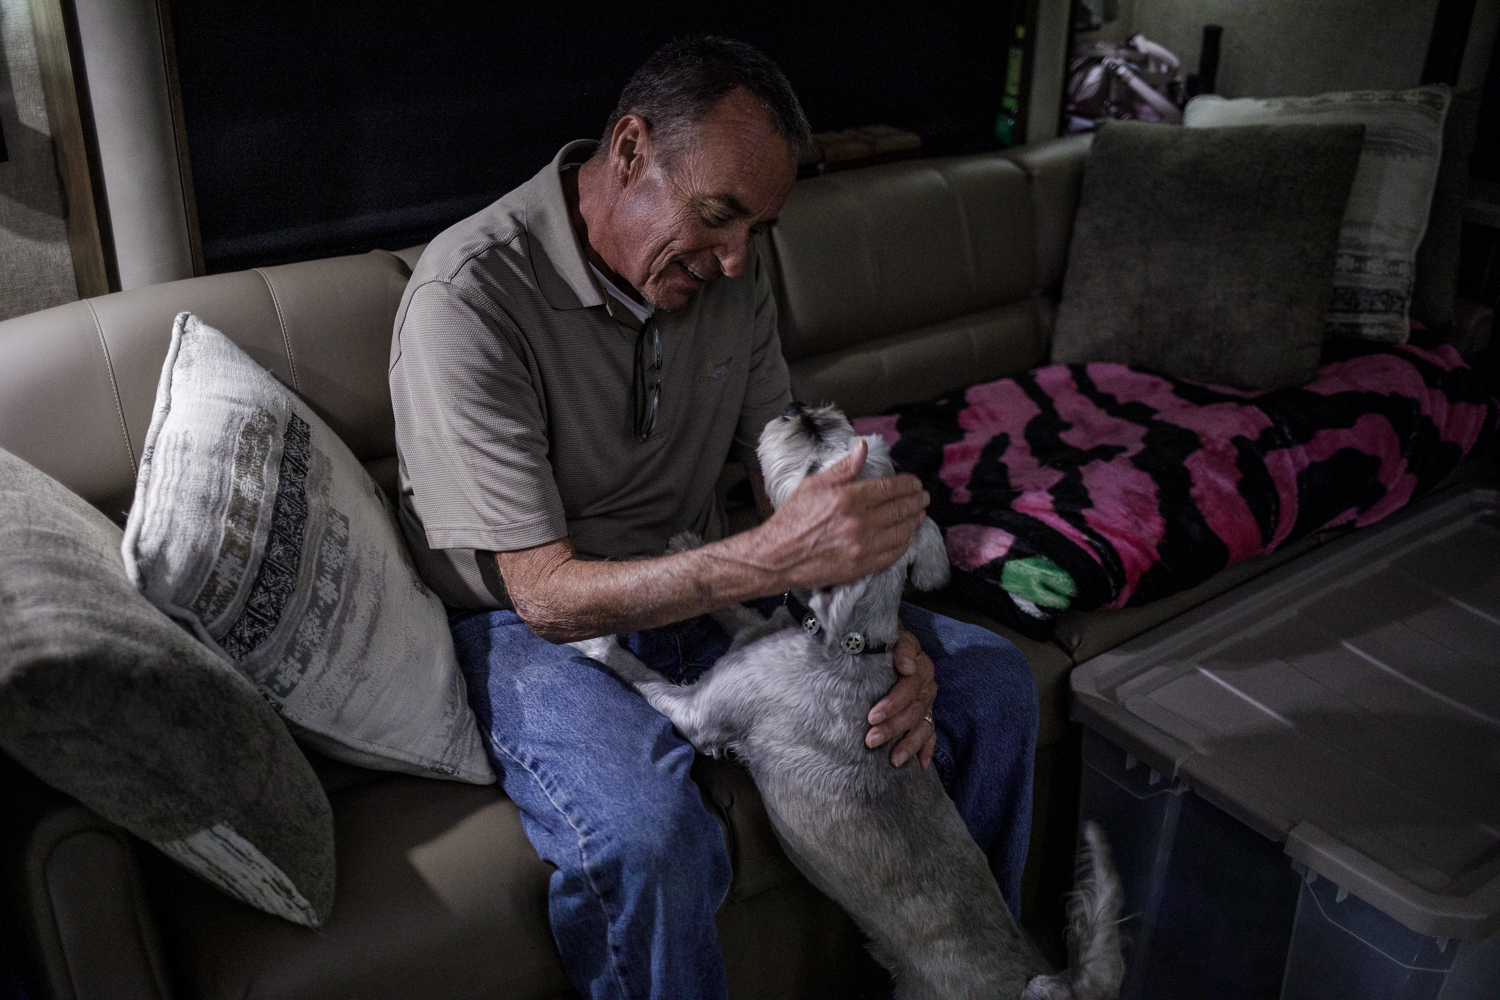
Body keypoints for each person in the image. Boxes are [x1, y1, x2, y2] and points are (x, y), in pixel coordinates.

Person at [390, 35, 1038, 1000]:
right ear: (630, 151)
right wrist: (770, 564)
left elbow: (782, 457)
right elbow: (544, 596)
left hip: (708, 574)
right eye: (718, 217)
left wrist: (878, 634)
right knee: (654, 840)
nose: (738, 260)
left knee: (992, 685)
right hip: (532, 629)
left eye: (758, 230)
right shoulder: (471, 299)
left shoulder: (725, 281)